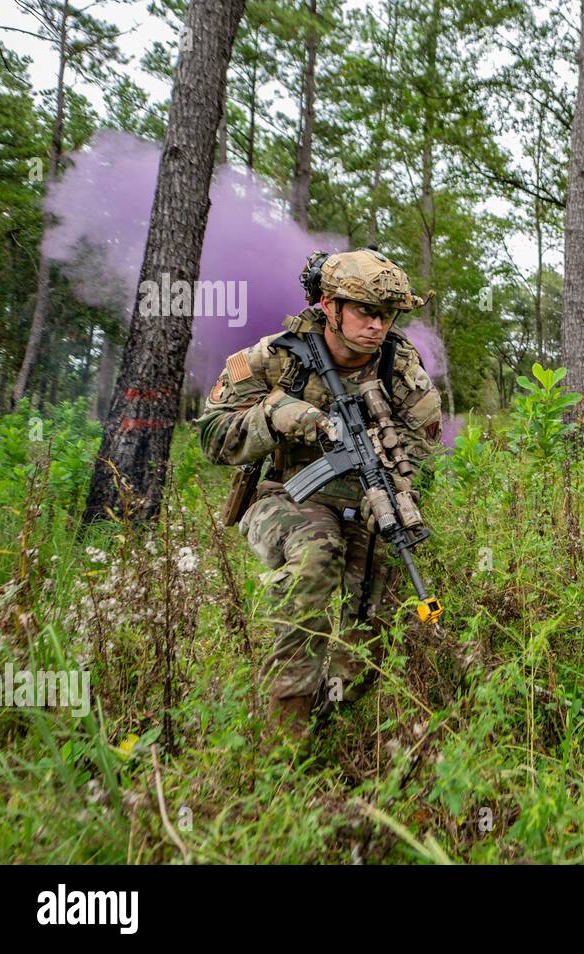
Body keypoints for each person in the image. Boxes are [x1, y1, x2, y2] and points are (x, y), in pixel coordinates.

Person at [196, 249, 442, 744]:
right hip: (285, 495)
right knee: (317, 559)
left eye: (387, 314)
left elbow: (422, 448)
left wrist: (398, 486)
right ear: (329, 306)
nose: (378, 325)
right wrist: (272, 418)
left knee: (372, 613)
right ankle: (287, 740)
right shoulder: (275, 357)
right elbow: (212, 436)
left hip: (369, 499)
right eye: (365, 311)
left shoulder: (399, 365)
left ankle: (337, 723)